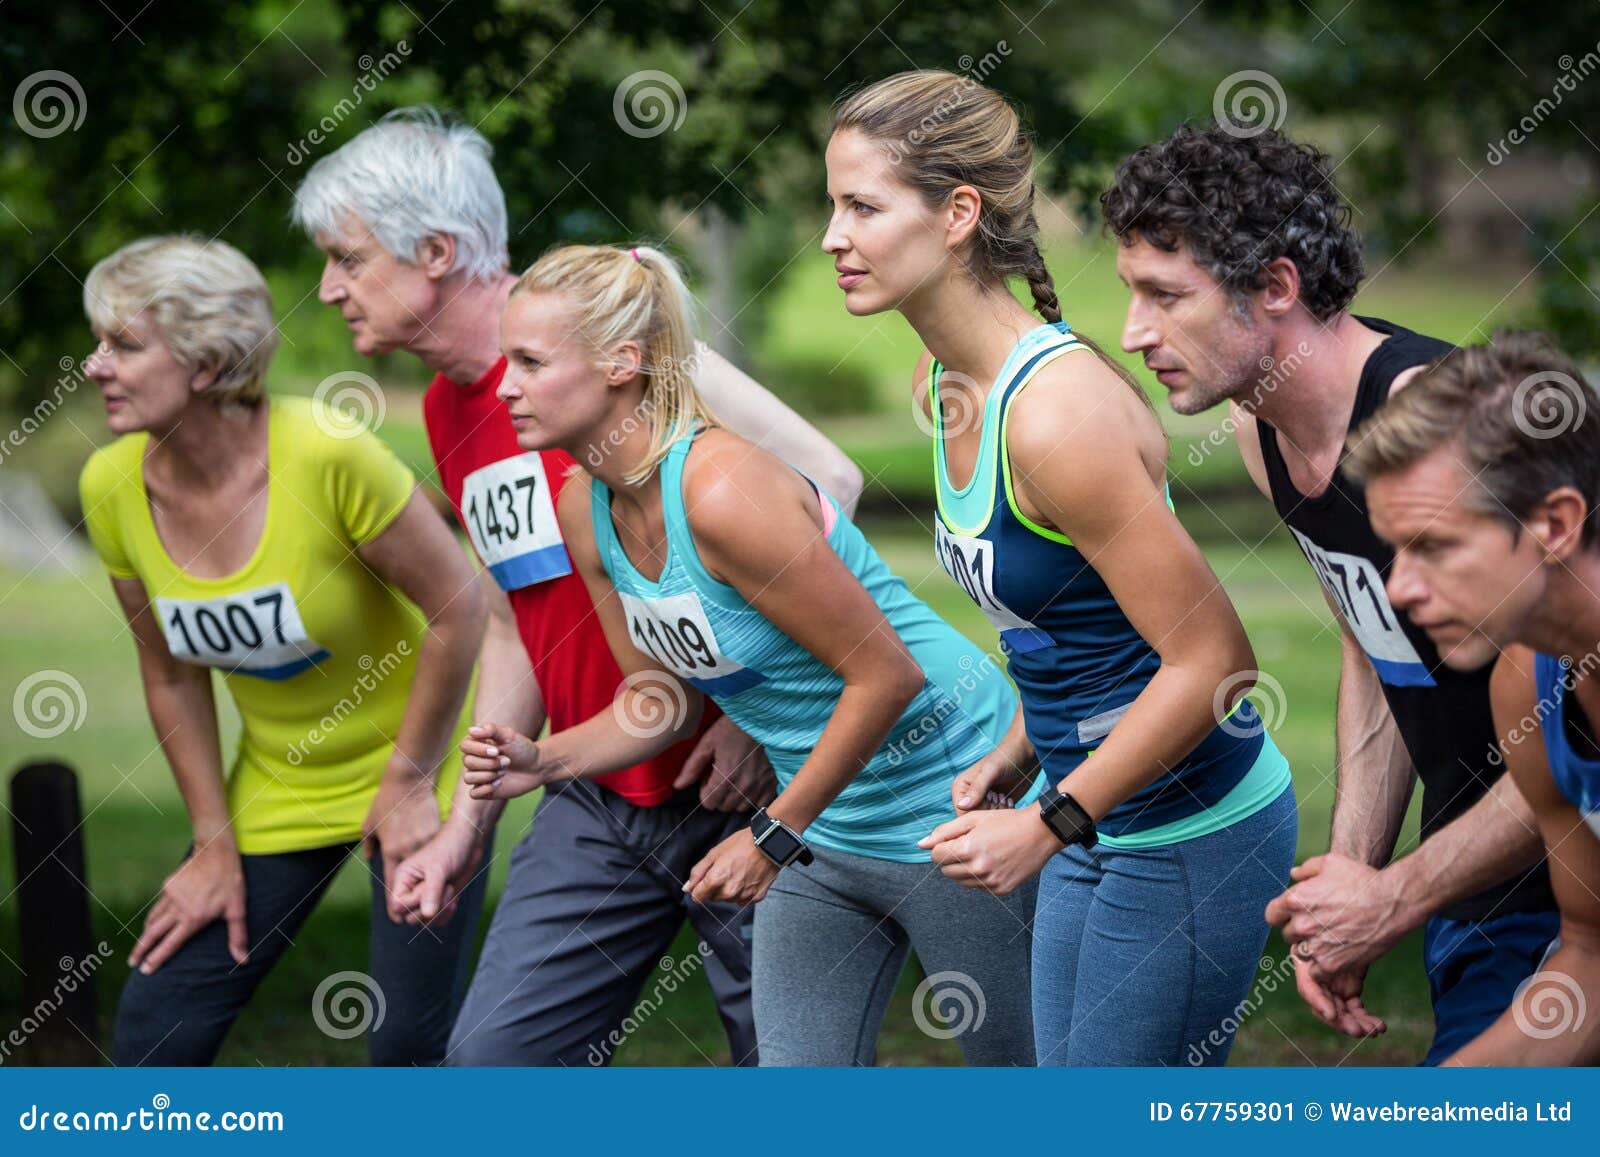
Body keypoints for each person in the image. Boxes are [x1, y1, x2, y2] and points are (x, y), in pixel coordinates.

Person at [292, 107, 864, 1066]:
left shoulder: (607, 339)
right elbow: (518, 621)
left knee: (794, 1073)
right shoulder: (447, 407)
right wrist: (468, 823)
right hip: (598, 793)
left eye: (348, 258)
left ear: (433, 251)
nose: (327, 287)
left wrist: (748, 717)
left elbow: (831, 484)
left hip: (739, 783)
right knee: (494, 1066)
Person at [459, 241, 1038, 1066]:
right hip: (823, 829)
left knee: (1022, 1080)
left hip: (949, 796)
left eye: (528, 361)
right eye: (502, 361)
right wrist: (542, 757)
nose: (504, 385)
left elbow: (887, 674)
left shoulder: (723, 489)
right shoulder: (584, 505)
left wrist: (770, 834)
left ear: (623, 362)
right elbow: (659, 701)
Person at [823, 71, 1297, 1067]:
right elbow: (1076, 622)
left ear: (958, 215)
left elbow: (1212, 660)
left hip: (1188, 825)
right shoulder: (945, 383)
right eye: (834, 205)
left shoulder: (1053, 414)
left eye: (861, 206)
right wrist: (1022, 749)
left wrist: (1045, 821)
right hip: (1095, 815)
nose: (832, 237)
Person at [1100, 122, 1558, 1060]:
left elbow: (1580, 730)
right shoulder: (1259, 433)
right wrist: (1350, 878)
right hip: (1471, 867)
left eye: (1165, 295)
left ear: (1276, 286)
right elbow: (1371, 640)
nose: (1133, 332)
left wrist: (1400, 892)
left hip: (1561, 863)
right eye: (1130, 293)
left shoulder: (1440, 416)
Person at [78, 235, 486, 1065]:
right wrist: (211, 842)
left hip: (422, 765)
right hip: (277, 779)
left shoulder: (327, 451)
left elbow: (459, 606)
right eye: (98, 344)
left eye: (122, 345)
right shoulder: (110, 484)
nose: (92, 367)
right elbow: (169, 672)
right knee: (156, 1032)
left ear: (204, 360)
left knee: (406, 1050)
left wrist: (411, 782)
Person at [1343, 332, 1600, 1065]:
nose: (1397, 589)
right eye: (1395, 551)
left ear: (1554, 524)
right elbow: (1588, 957)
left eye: (1435, 546)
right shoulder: (1528, 685)